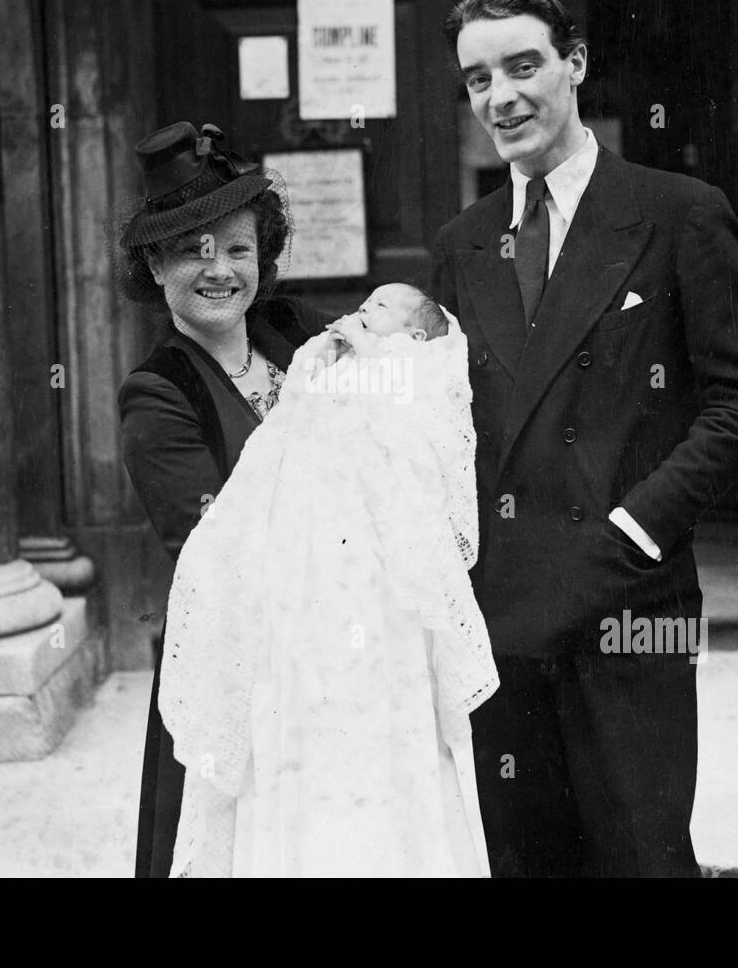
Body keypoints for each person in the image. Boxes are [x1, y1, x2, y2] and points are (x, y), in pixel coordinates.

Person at [430, 0, 738, 877]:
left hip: (632, 610)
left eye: (523, 66)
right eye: (479, 80)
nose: (502, 97)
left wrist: (637, 525)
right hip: (502, 619)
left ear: (575, 63)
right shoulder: (462, 245)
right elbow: (444, 429)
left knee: (644, 857)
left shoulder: (679, 213)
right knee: (524, 860)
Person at [159, 285, 498, 877]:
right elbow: (290, 427)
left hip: (378, 586)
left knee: (385, 734)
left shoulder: (403, 362)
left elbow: (425, 434)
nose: (364, 311)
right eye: (365, 304)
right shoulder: (305, 350)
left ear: (415, 337)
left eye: (383, 308)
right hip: (300, 588)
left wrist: (368, 364)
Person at [115, 120, 330, 878]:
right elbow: (221, 553)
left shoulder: (297, 332)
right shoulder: (158, 394)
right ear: (155, 261)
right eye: (193, 250)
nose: (220, 271)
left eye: (238, 249)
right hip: (237, 674)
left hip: (333, 661)